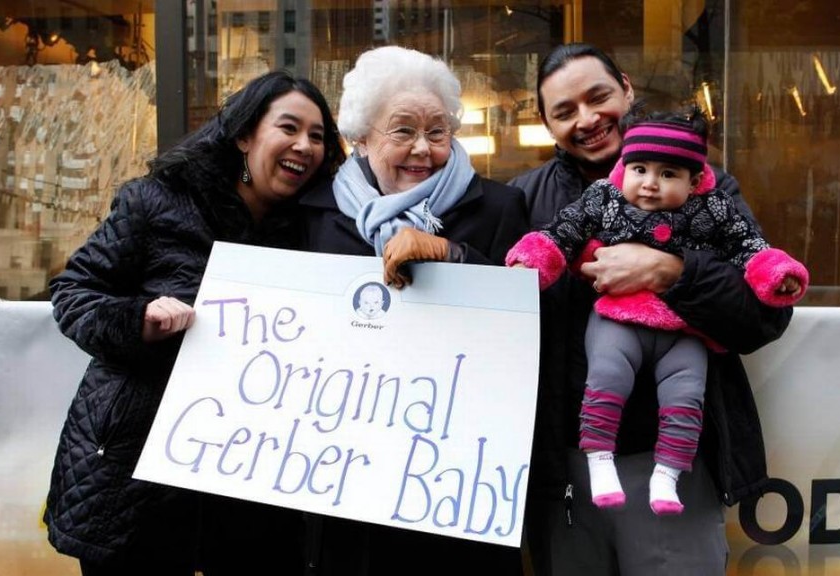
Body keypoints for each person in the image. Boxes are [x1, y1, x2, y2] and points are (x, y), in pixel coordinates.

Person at [44, 70, 345, 576]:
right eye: (289, 128)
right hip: (133, 475)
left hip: (254, 484)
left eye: (317, 136)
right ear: (245, 134)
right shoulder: (157, 199)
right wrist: (137, 320)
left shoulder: (316, 230)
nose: (305, 145)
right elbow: (74, 292)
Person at [509, 43, 794, 576]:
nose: (588, 120)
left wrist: (673, 272)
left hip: (674, 463)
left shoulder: (706, 189)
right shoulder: (524, 201)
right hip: (562, 468)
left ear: (627, 89)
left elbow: (765, 317)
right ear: (547, 126)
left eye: (599, 97)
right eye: (564, 111)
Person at [298, 46, 529, 576]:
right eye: (402, 131)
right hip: (344, 472)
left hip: (454, 480)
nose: (423, 149)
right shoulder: (315, 213)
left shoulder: (498, 207)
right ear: (361, 137)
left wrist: (453, 256)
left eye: (438, 131)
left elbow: (532, 311)